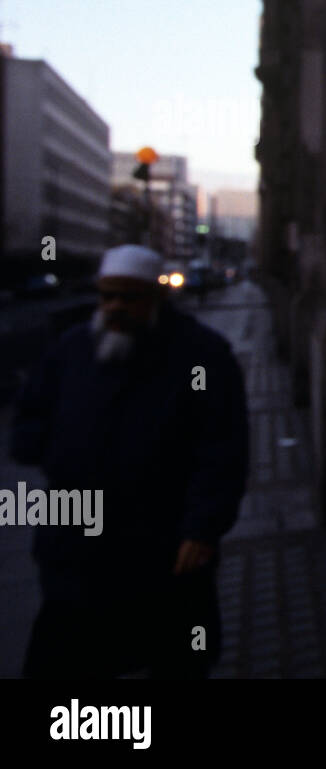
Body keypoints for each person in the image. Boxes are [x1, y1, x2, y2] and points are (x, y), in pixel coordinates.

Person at [11, 244, 249, 678]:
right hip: (77, 546)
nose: (116, 307)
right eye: (108, 296)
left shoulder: (201, 354)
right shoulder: (72, 349)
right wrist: (59, 452)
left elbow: (222, 448)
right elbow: (30, 419)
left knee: (175, 656)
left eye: (129, 297)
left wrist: (202, 527)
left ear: (155, 297)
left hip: (162, 546)